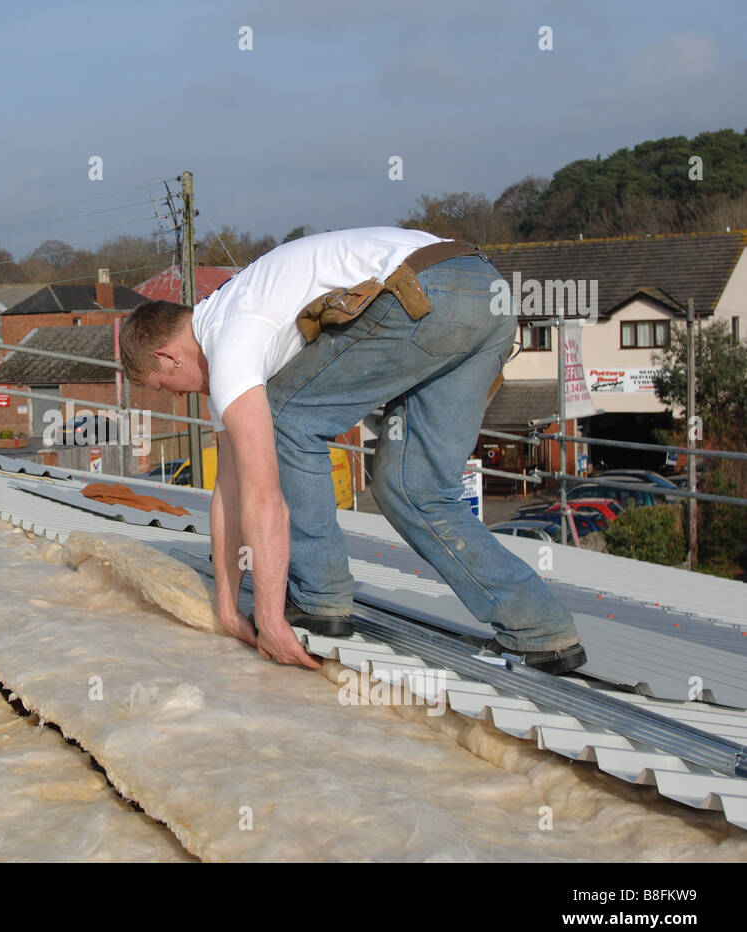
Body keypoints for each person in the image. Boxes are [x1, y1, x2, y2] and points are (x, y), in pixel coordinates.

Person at [118, 227, 587, 674]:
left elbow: (264, 498)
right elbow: (230, 486)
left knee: (286, 419)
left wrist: (271, 620)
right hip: (484, 295)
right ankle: (540, 630)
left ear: (166, 356)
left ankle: (320, 601)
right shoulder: (228, 328)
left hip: (426, 290)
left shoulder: (231, 343)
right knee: (415, 486)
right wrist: (225, 602)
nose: (177, 398)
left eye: (167, 388)